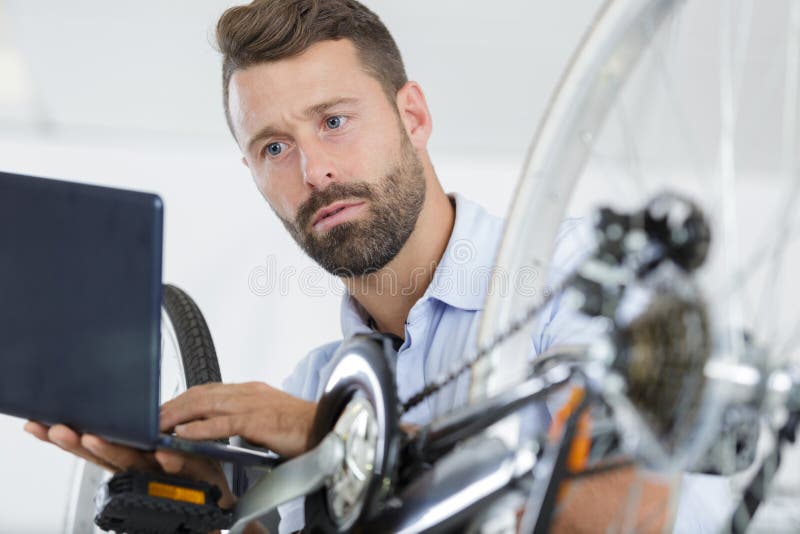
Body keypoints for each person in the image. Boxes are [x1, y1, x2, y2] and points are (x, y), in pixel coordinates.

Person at [25, 1, 731, 532]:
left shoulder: (578, 278)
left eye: (334, 121)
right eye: (274, 148)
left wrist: (341, 437)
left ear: (413, 116)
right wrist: (203, 507)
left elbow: (638, 512)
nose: (314, 170)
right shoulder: (313, 383)